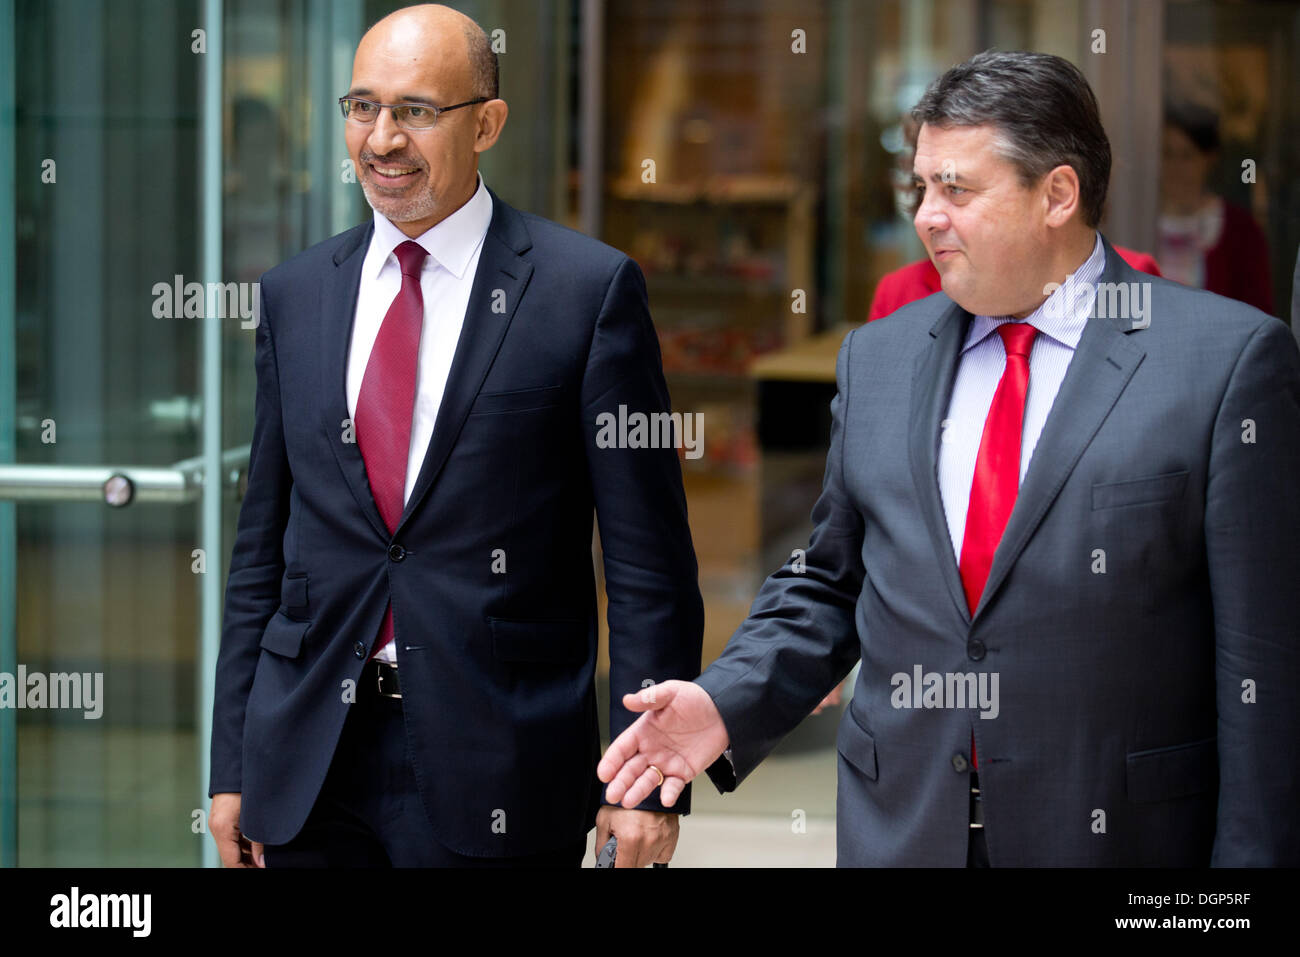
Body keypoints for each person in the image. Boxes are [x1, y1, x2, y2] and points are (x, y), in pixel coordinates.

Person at [599, 50, 1300, 866]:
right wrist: (723, 701)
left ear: (1058, 195)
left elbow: (1264, 668)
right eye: (921, 188)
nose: (928, 215)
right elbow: (831, 582)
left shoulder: (1225, 362)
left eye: (957, 189)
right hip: (902, 828)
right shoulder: (880, 358)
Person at [208, 3, 703, 868]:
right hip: (307, 762)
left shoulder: (585, 292)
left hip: (501, 762)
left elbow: (647, 565)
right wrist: (232, 763)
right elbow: (261, 548)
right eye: (362, 107)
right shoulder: (295, 295)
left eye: (416, 111)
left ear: (488, 124)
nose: (382, 137)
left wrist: (647, 780)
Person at [1158, 101, 1274, 315]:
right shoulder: (1137, 219)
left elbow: (1257, 313)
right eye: (1167, 153)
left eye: (1186, 156)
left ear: (1209, 159)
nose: (1175, 166)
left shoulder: (1239, 229)